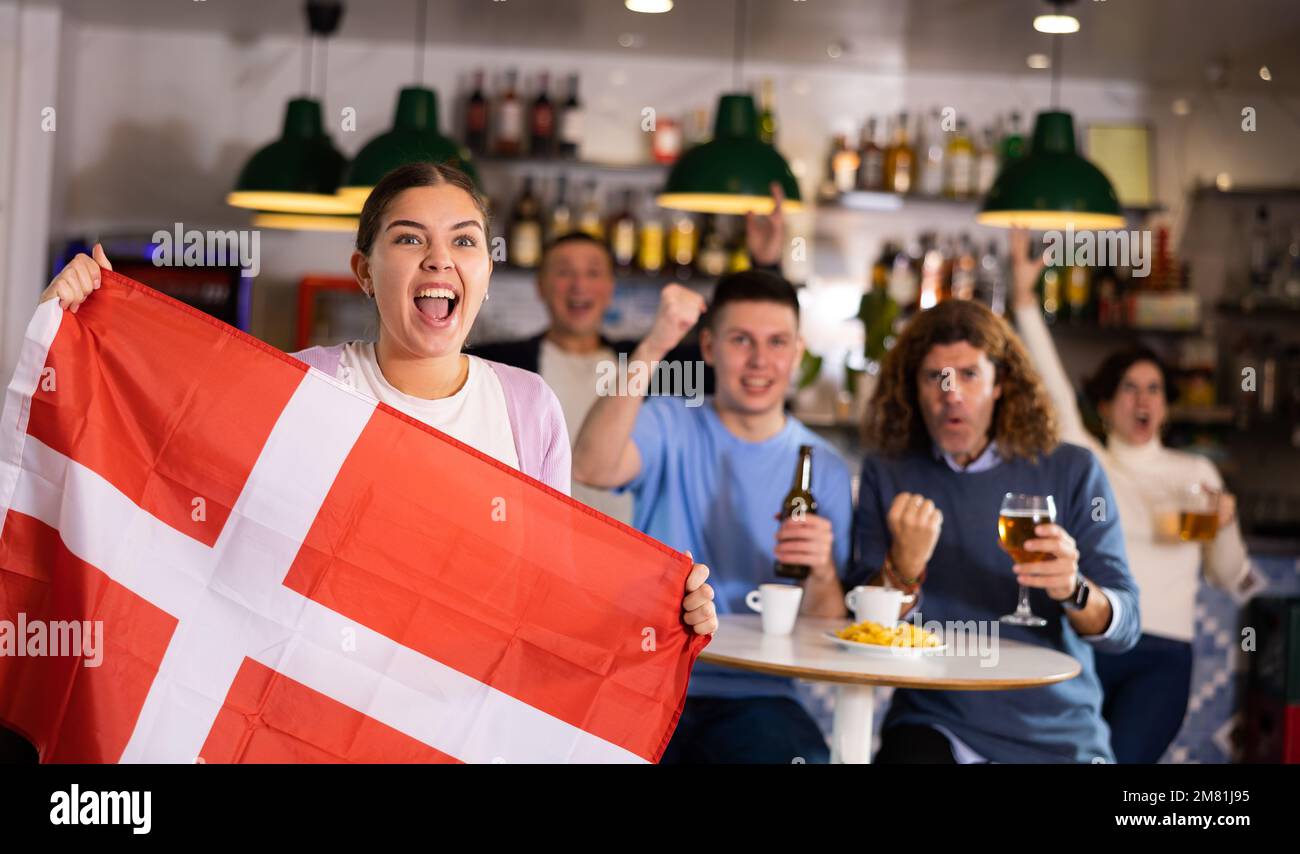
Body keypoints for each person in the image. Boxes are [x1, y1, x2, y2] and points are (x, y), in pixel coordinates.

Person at [34, 163, 719, 739]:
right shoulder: (304, 384)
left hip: (455, 726)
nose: (439, 258)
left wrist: (661, 613)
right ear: (364, 270)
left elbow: (554, 600)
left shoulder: (527, 405)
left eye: (465, 240)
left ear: (485, 268)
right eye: (408, 238)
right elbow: (169, 469)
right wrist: (84, 330)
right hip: (307, 715)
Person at [572, 267, 854, 764]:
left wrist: (823, 571)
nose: (760, 360)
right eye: (741, 340)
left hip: (762, 698)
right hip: (653, 681)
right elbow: (590, 465)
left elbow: (829, 627)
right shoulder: (670, 420)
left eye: (777, 342)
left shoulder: (823, 466)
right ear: (708, 347)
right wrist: (655, 344)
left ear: (798, 351)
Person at [853, 298, 1140, 764]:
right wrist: (901, 569)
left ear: (1001, 382)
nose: (952, 394)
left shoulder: (1071, 470)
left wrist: (1074, 590)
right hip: (935, 721)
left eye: (969, 374)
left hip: (1056, 732)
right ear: (913, 386)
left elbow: (1125, 626)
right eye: (934, 377)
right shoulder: (888, 473)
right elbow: (863, 626)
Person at [1008, 227, 1254, 763]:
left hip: (1164, 656)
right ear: (1105, 402)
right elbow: (1049, 382)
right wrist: (1024, 297)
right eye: (1129, 388)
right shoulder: (1088, 460)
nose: (1143, 400)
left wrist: (1227, 521)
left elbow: (1229, 576)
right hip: (1091, 642)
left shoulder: (1197, 475)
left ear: (1166, 404)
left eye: (1155, 389)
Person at [474, 184, 790, 524]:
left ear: (611, 287)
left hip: (624, 549)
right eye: (564, 272)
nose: (579, 286)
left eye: (593, 273)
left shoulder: (647, 362)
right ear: (541, 285)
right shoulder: (501, 364)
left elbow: (733, 368)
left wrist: (766, 265)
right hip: (531, 538)